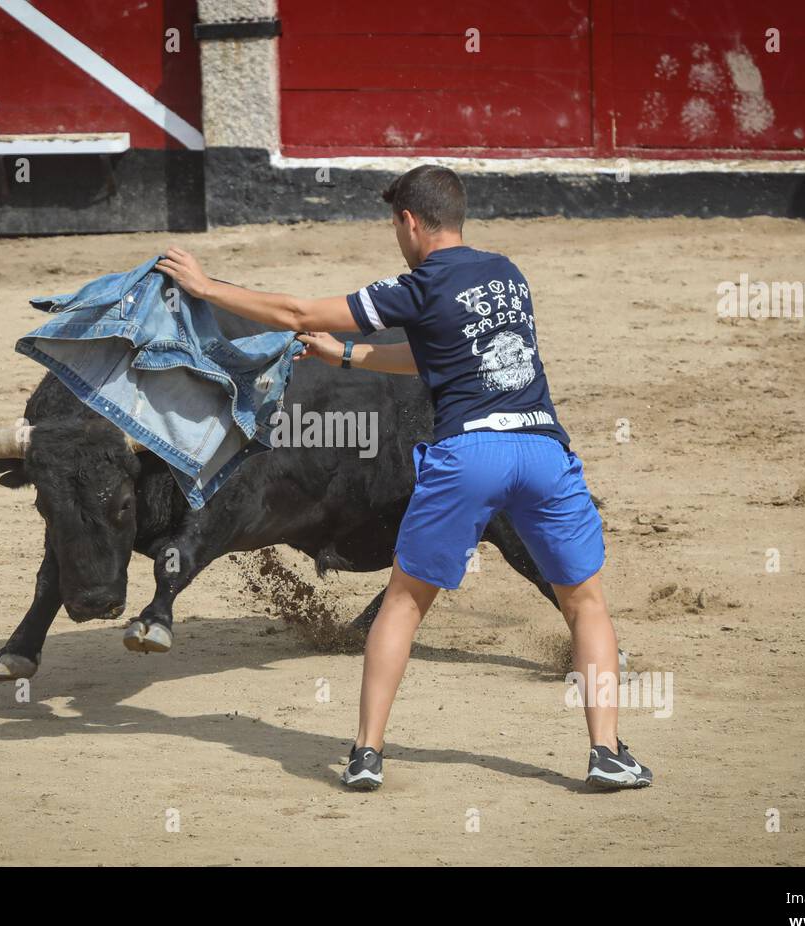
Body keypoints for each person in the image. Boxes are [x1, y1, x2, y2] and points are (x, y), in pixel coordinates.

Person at [157, 164, 652, 791]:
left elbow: (295, 309)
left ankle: (366, 754)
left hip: (470, 456)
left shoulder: (416, 287)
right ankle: (605, 751)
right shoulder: (508, 274)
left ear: (409, 221)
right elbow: (435, 353)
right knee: (586, 605)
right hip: (542, 450)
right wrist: (345, 354)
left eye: (396, 227)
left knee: (403, 604)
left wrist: (205, 287)